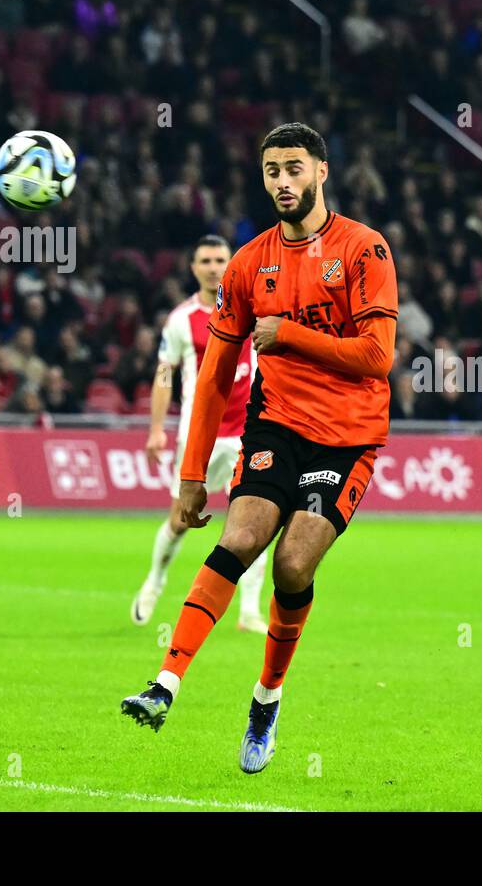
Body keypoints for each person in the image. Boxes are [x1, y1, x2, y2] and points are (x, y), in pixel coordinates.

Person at [122, 124, 398, 775]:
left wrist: (290, 334)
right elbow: (216, 377)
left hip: (350, 432)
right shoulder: (249, 263)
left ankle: (266, 699)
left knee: (294, 567)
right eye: (271, 170)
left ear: (322, 171)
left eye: (294, 168)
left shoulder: (365, 250)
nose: (282, 181)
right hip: (275, 424)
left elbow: (377, 358)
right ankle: (165, 683)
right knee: (240, 539)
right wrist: (192, 478)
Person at [130, 234, 268, 634]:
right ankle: (155, 578)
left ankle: (250, 611)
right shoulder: (181, 319)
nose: (213, 266)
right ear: (193, 268)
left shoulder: (254, 309)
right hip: (199, 434)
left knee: (257, 519)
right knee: (180, 520)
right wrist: (156, 429)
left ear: (231, 264)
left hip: (249, 432)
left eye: (220, 259)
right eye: (205, 260)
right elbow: (163, 373)